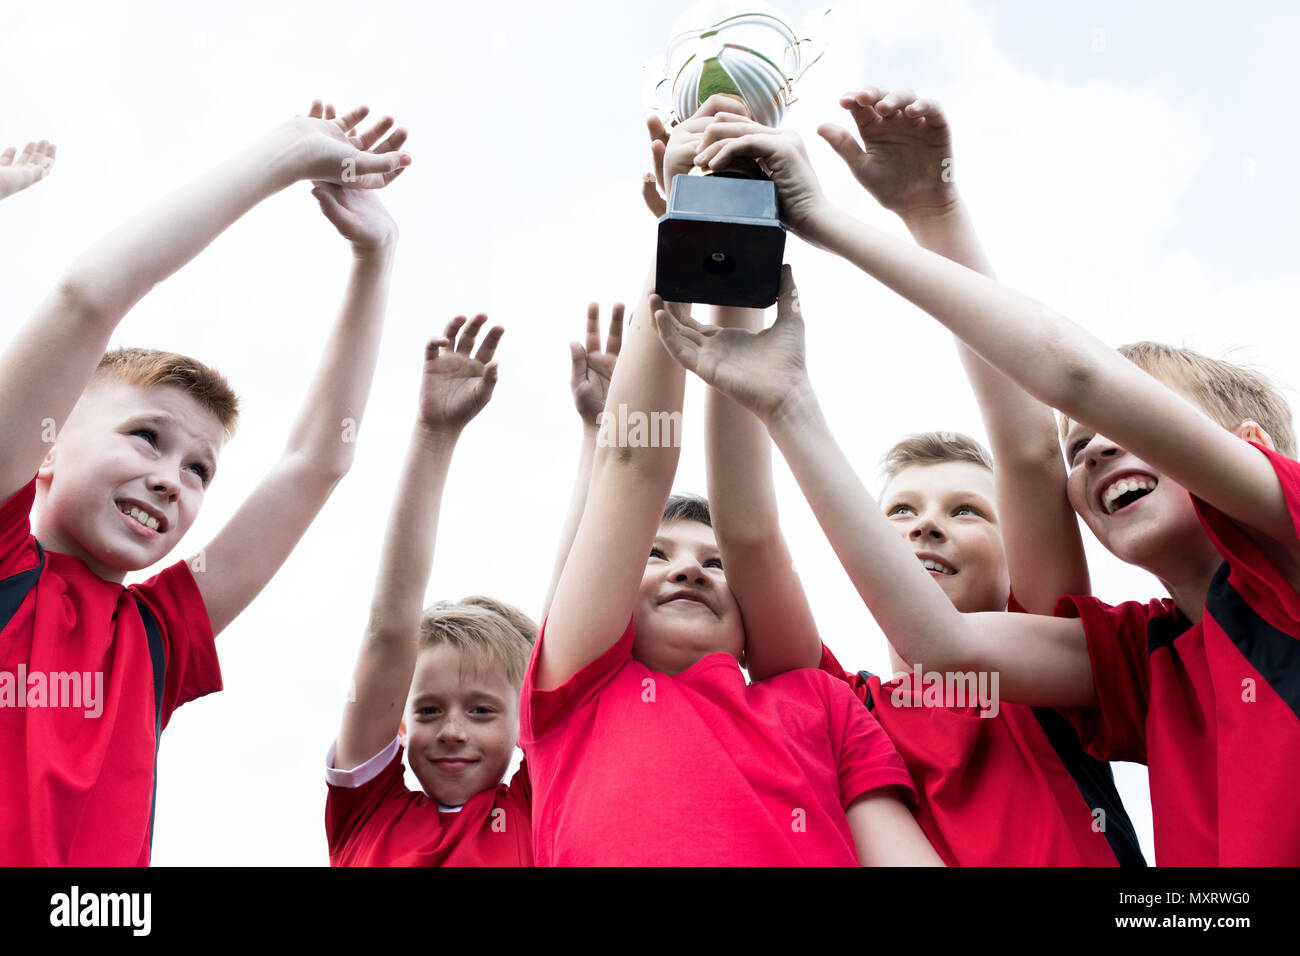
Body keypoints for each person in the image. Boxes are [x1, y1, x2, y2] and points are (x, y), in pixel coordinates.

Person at [660, 106, 1300, 864]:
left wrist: (899, 215)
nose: (1091, 452)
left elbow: (1055, 405)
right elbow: (929, 638)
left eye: (967, 509)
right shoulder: (1142, 658)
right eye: (898, 510)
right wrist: (734, 279)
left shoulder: (1272, 558)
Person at [0, 100, 409, 865]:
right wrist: (281, 156)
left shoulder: (155, 639)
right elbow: (87, 299)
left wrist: (376, 254)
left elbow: (317, 461)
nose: (170, 481)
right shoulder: (4, 560)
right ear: (47, 447)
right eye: (145, 438)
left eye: (198, 470)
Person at [327, 320, 540, 866]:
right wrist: (434, 434)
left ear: (525, 725)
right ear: (399, 723)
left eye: (482, 711)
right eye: (426, 711)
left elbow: (581, 617)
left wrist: (599, 435)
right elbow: (387, 629)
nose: (451, 731)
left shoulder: (539, 814)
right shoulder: (368, 814)